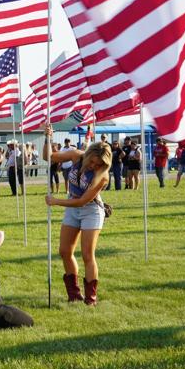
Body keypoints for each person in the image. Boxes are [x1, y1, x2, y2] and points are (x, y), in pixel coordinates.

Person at [43, 125, 112, 305]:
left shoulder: (102, 175)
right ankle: (74, 294)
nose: (94, 165)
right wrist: (47, 138)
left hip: (91, 210)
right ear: (88, 154)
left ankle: (91, 299)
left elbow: (82, 201)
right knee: (65, 251)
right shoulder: (77, 156)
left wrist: (56, 201)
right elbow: (48, 157)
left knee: (88, 254)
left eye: (98, 164)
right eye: (93, 161)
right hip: (72, 208)